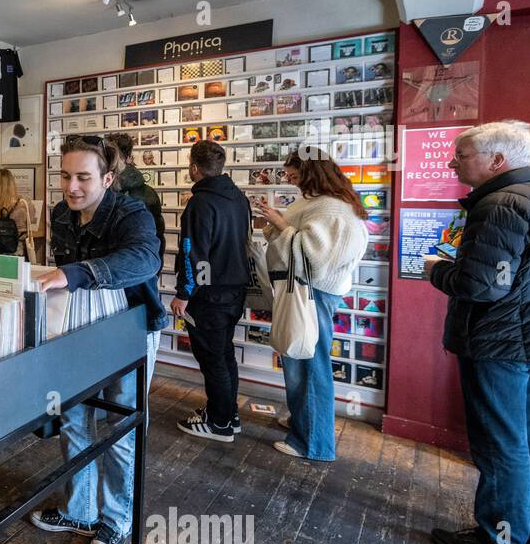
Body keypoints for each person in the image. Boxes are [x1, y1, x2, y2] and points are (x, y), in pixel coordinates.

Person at [423, 121, 530, 544]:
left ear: (497, 160)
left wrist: (437, 270)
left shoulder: (499, 206)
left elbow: (481, 285)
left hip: (500, 344)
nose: (452, 161)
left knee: (501, 442)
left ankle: (501, 541)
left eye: (462, 154)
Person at [28, 135, 162, 544]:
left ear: (107, 178)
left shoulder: (132, 212)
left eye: (83, 178)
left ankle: (116, 518)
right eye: (65, 177)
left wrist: (80, 272)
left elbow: (145, 259)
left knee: (120, 426)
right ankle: (79, 510)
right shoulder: (61, 215)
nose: (72, 188)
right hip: (78, 330)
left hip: (130, 331)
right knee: (74, 419)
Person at [256, 149, 368, 460]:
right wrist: (278, 223)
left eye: (295, 176)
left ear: (312, 172)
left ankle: (313, 442)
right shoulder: (324, 202)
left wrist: (280, 222)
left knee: (308, 366)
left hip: (312, 293)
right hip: (307, 292)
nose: (291, 183)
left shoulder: (330, 209)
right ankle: (303, 423)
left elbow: (314, 260)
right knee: (299, 360)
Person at [170, 139, 251, 442]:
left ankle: (219, 423)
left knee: (212, 359)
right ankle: (227, 412)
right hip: (235, 290)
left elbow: (194, 251)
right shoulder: (238, 198)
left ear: (194, 167)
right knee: (224, 354)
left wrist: (184, 293)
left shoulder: (201, 202)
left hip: (210, 295)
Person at [111, 132, 165, 262]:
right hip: (138, 270)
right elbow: (157, 242)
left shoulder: (101, 191)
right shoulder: (149, 193)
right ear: (130, 158)